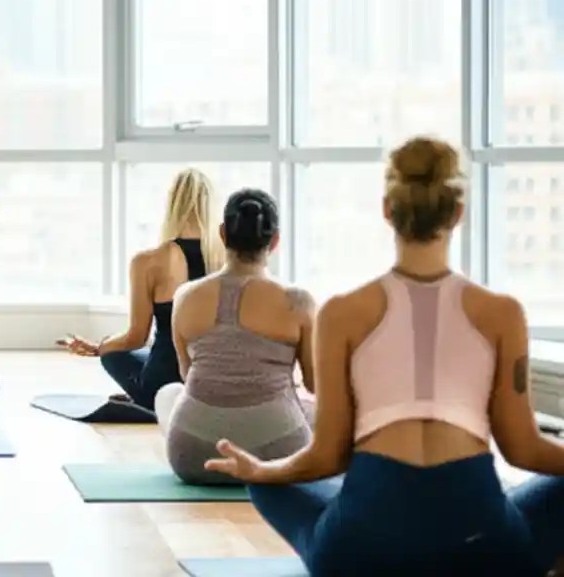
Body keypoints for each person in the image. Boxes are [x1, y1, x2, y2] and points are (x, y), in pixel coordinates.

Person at [206, 137, 564, 576]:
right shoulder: (502, 314)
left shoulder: (342, 313)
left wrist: (262, 470)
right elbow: (524, 450)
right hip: (484, 546)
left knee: (266, 482)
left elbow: (327, 457)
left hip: (363, 548)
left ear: (387, 211)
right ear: (458, 213)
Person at [154, 188, 315, 485]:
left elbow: (187, 374)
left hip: (195, 457)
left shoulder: (185, 296)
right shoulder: (298, 301)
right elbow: (315, 384)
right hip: (278, 455)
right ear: (275, 240)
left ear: (222, 235)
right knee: (315, 410)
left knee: (167, 394)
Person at [59, 168, 225, 414]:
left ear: (172, 204)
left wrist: (101, 347)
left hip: (163, 385)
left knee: (115, 355)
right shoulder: (229, 258)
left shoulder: (148, 261)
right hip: (214, 385)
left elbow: (136, 337)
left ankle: (148, 397)